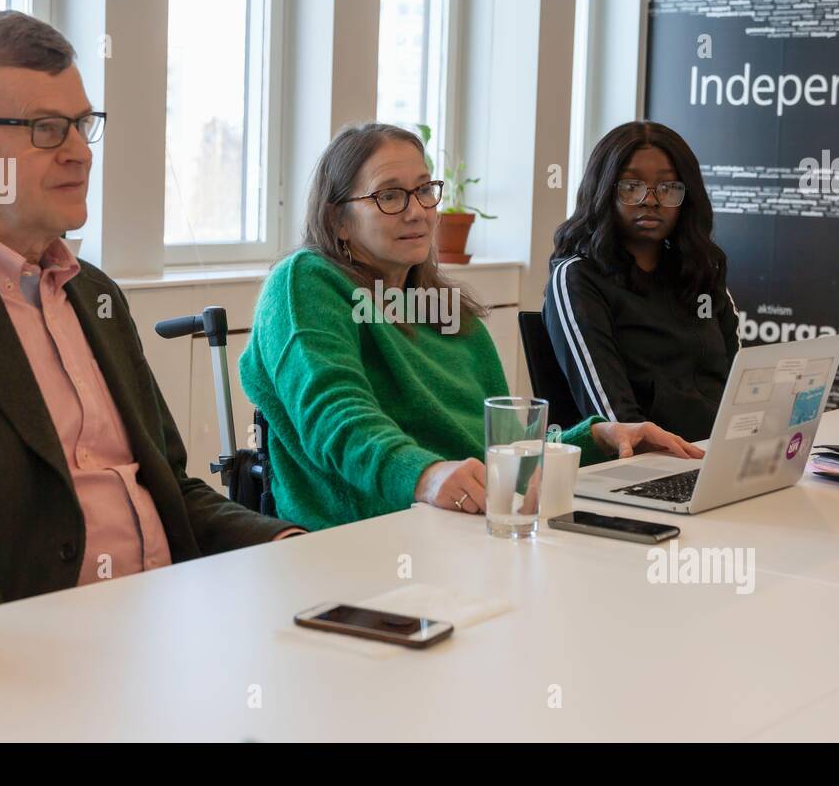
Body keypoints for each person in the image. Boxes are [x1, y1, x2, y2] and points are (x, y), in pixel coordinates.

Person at [0, 9, 302, 624]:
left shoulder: (94, 293)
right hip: (29, 661)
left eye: (80, 124)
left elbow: (170, 489)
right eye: (45, 128)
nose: (78, 153)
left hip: (167, 626)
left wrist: (288, 550)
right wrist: (26, 688)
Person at [239, 123, 703, 531]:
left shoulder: (448, 313)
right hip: (362, 539)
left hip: (466, 527)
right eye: (389, 195)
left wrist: (600, 437)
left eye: (424, 190)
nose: (417, 210)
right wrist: (424, 476)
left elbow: (501, 450)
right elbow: (336, 419)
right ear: (338, 220)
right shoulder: (306, 282)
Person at [543, 120, 740, 442]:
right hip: (641, 464)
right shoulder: (578, 277)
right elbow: (618, 423)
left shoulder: (701, 272)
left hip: (715, 454)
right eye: (631, 186)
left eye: (667, 187)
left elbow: (740, 385)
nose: (651, 200)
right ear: (604, 190)